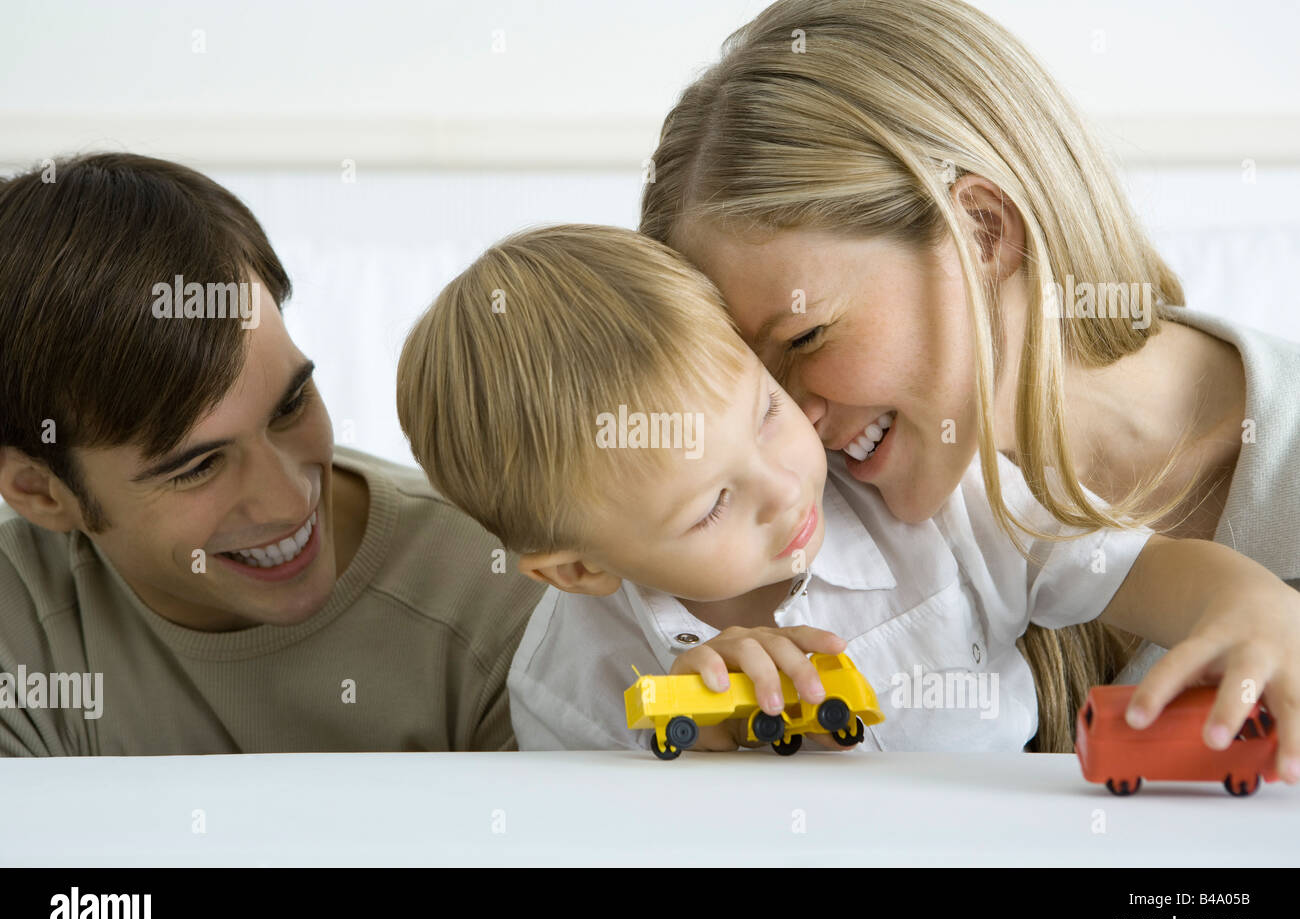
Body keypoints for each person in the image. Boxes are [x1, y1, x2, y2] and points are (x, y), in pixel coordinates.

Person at [395, 223, 1300, 779]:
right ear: (580, 567)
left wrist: (1248, 602)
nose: (788, 483)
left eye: (768, 411)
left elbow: (1139, 569)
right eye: (711, 503)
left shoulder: (942, 512)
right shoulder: (571, 685)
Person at [639, 0, 1300, 752]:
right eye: (749, 385)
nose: (787, 422)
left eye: (804, 335)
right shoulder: (776, 521)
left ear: (983, 233)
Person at [0, 152, 544, 756]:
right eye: (198, 466)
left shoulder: (507, 589)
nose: (291, 501)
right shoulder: (16, 621)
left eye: (289, 407)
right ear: (39, 492)